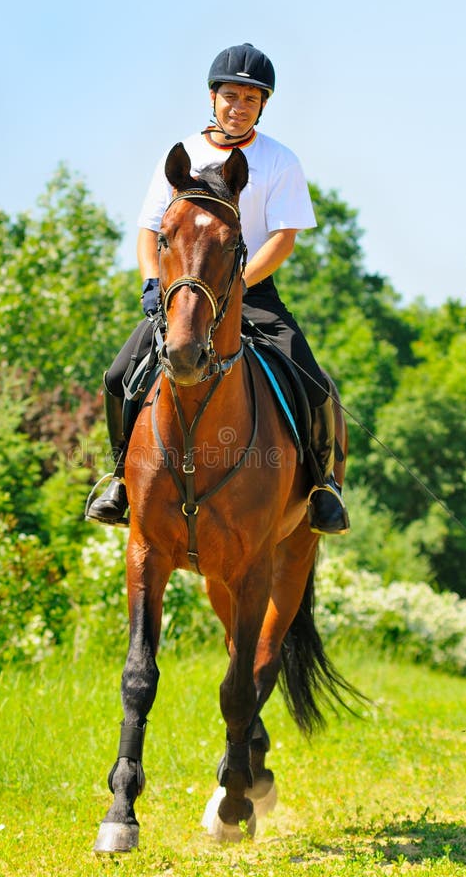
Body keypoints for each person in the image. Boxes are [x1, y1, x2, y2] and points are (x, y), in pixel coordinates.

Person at [86, 43, 349, 535]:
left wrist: (233, 287)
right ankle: (120, 479)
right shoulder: (184, 154)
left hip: (251, 291)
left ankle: (320, 487)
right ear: (213, 97)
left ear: (263, 105)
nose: (239, 106)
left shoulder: (280, 161)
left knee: (312, 380)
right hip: (183, 294)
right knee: (119, 374)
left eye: (251, 98)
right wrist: (150, 282)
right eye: (231, 95)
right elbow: (150, 231)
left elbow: (283, 239)